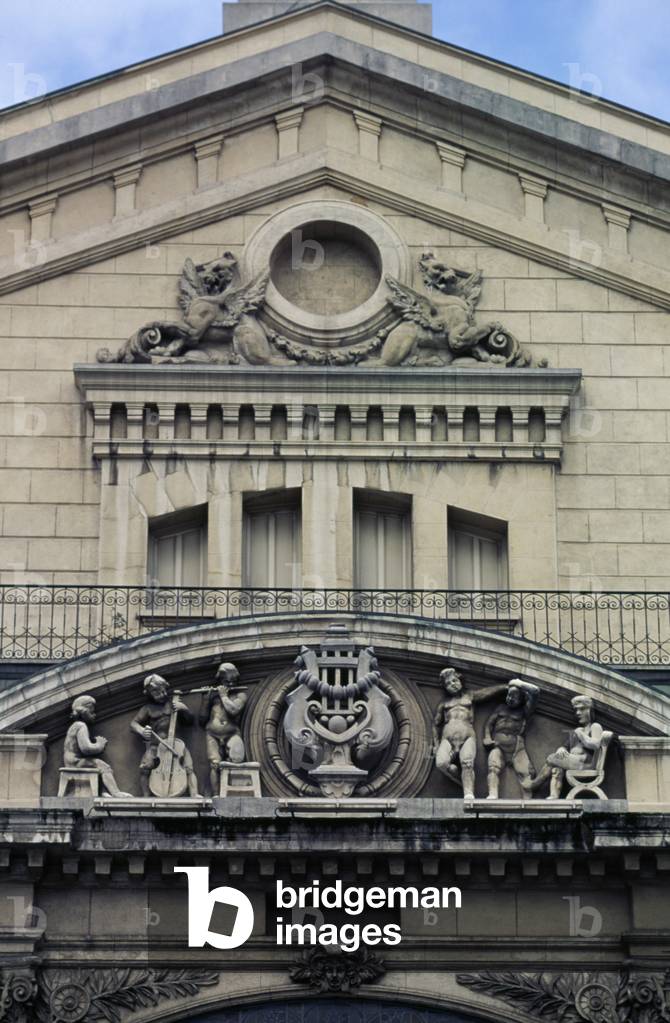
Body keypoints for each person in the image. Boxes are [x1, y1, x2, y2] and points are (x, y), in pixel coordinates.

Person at [432, 667, 507, 800]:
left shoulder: (469, 696)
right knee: (441, 763)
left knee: (467, 763)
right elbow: (436, 724)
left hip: (467, 737)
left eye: (454, 681)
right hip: (447, 739)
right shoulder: (444, 704)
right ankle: (460, 780)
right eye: (448, 684)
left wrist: (504, 687)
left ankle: (468, 793)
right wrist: (436, 744)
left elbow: (486, 693)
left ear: (460, 681)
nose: (452, 685)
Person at [524, 694, 605, 799]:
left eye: (581, 709)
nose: (578, 713)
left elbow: (596, 745)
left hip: (586, 764)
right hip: (574, 761)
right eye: (576, 710)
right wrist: (561, 749)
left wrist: (581, 734)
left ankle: (535, 783)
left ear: (589, 710)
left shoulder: (595, 726)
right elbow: (565, 746)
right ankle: (554, 795)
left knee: (552, 758)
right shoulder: (578, 730)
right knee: (556, 767)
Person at [130, 674, 199, 797]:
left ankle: (194, 794)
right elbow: (133, 724)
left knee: (188, 767)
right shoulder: (148, 708)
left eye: (162, 691)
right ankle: (146, 796)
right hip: (156, 745)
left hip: (176, 745)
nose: (161, 695)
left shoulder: (173, 704)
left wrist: (184, 709)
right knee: (145, 768)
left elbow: (190, 721)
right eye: (156, 693)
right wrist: (141, 730)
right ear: (149, 694)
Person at [63, 695, 131, 798]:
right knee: (102, 766)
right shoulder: (81, 726)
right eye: (92, 712)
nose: (94, 715)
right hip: (75, 762)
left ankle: (102, 791)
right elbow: (86, 748)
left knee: (96, 766)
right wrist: (100, 744)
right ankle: (115, 792)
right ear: (84, 711)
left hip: (72, 761)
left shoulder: (75, 726)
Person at [483, 679, 540, 799]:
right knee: (493, 767)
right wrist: (487, 737)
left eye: (514, 697)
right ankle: (493, 795)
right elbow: (489, 724)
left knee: (526, 773)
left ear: (521, 699)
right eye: (509, 695)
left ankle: (528, 801)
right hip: (498, 746)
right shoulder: (500, 708)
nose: (510, 699)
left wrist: (519, 684)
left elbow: (535, 692)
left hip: (517, 749)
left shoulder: (525, 711)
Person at [199, 662, 248, 795]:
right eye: (226, 681)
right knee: (214, 764)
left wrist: (223, 696)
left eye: (233, 681)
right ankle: (216, 795)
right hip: (212, 734)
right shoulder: (213, 697)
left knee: (236, 759)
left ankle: (234, 794)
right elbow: (202, 720)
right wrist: (205, 701)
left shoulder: (240, 695)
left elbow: (233, 710)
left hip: (231, 733)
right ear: (220, 681)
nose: (230, 684)